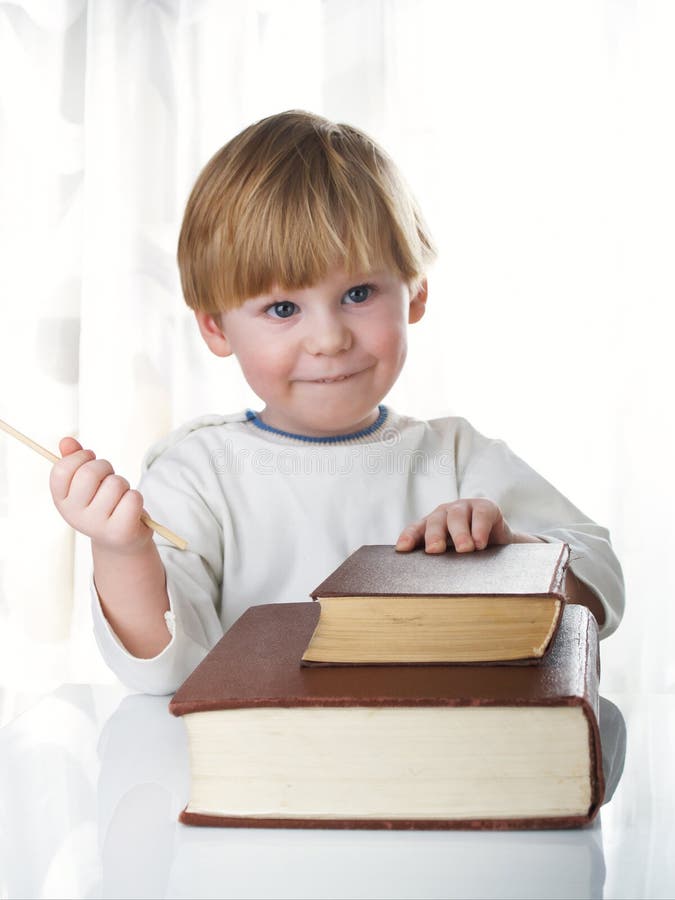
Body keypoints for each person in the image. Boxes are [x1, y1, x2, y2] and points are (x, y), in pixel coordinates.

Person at [49, 110, 625, 694]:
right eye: (282, 309)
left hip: (433, 744)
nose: (329, 339)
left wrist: (513, 555)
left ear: (415, 292)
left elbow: (602, 588)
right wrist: (122, 553)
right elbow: (163, 668)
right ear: (216, 327)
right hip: (265, 751)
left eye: (358, 293)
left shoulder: (455, 458)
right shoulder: (199, 473)